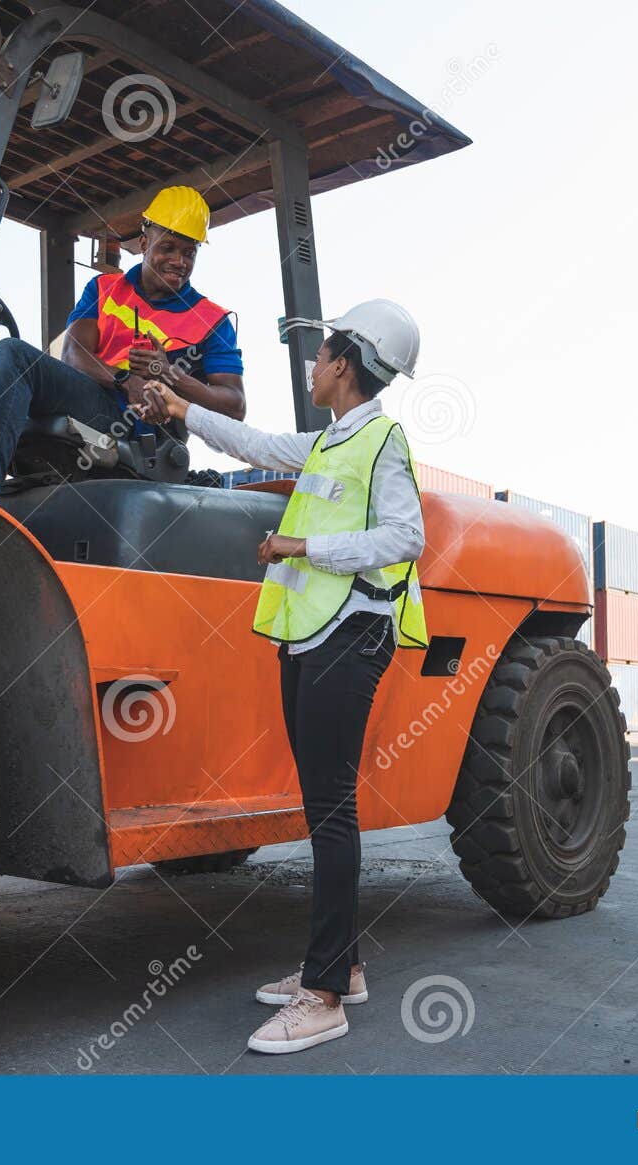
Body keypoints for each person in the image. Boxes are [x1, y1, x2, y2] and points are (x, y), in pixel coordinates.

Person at [141, 300, 430, 1055]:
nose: (312, 364)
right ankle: (348, 964)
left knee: (332, 810)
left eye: (320, 352)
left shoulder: (382, 441)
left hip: (353, 632)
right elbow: (255, 440)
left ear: (342, 362)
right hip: (313, 633)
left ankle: (326, 992)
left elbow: (408, 536)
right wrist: (182, 407)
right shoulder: (333, 439)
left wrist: (300, 543)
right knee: (319, 801)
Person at [0, 185, 246, 498]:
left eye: (188, 252)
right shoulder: (104, 288)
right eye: (168, 248)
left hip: (132, 424)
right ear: (144, 243)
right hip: (92, 396)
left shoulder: (213, 321)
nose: (179, 261)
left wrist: (169, 374)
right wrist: (126, 380)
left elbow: (235, 406)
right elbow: (74, 354)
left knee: (13, 355)